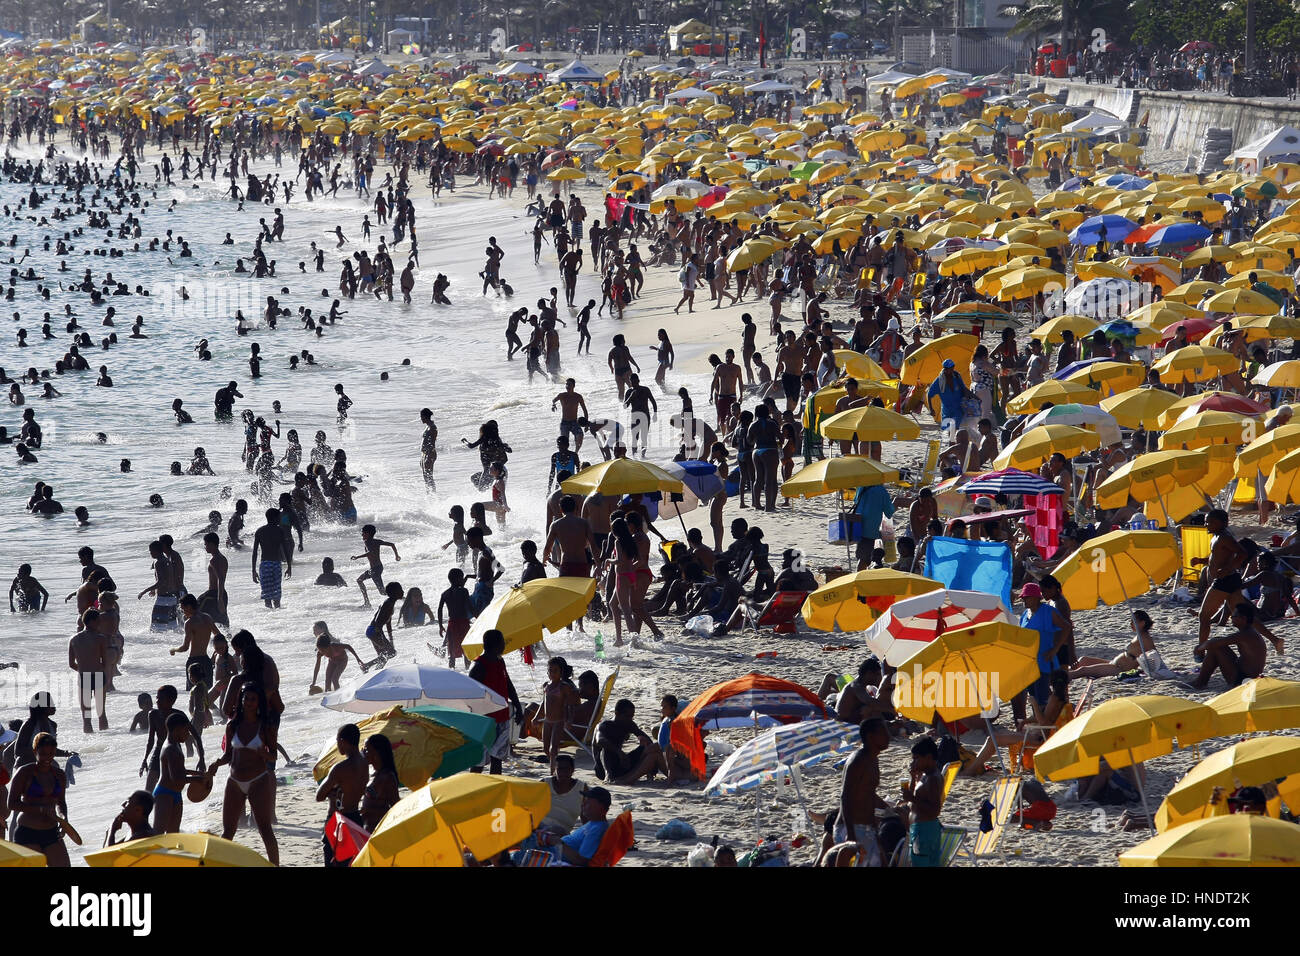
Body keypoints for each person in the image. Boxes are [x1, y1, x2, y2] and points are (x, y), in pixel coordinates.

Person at [209, 682, 279, 865]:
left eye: (253, 699)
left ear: (259, 702)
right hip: (234, 781)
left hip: (258, 781)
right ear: (241, 699)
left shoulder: (265, 726)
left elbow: (274, 756)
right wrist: (216, 763)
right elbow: (229, 755)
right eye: (245, 698)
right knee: (228, 831)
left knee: (265, 830)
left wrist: (264, 754)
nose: (248, 702)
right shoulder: (233, 725)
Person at [6, 732, 71, 866]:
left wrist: (64, 818)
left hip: (52, 832)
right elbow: (11, 804)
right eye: (43, 754)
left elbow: (61, 802)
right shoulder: (24, 773)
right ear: (35, 751)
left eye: (51, 754)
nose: (47, 758)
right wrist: (40, 809)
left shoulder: (59, 775)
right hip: (27, 832)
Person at [467, 629, 523, 774]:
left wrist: (517, 706)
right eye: (503, 642)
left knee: (497, 758)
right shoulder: (478, 666)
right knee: (479, 761)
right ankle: (471, 791)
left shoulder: (500, 661)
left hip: (503, 718)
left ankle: (494, 791)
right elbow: (469, 695)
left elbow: (508, 684)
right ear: (496, 645)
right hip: (485, 722)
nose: (505, 645)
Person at [837, 717, 890, 867]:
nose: (888, 736)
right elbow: (845, 796)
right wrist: (850, 834)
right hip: (851, 829)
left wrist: (888, 810)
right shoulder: (858, 760)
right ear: (870, 737)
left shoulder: (873, 759)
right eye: (883, 733)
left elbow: (868, 794)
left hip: (866, 828)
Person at [315, 723, 368, 866]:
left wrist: (331, 791)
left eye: (338, 741)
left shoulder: (340, 768)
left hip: (338, 820)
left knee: (333, 861)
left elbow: (319, 796)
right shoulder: (364, 763)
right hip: (355, 818)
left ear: (342, 741)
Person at [152, 712, 209, 833]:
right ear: (177, 730)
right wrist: (198, 780)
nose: (188, 734)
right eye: (186, 730)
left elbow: (179, 770)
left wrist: (198, 774)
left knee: (173, 834)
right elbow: (176, 779)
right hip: (164, 794)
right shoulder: (170, 749)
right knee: (158, 833)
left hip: (176, 794)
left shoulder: (176, 744)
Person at [534, 785, 612, 866]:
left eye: (588, 801)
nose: (583, 805)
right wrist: (563, 833)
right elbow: (575, 843)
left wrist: (558, 842)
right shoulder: (593, 823)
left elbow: (581, 860)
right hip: (547, 850)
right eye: (584, 801)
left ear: (601, 807)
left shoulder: (597, 829)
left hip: (544, 857)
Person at [595, 698, 666, 785]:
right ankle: (609, 776)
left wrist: (642, 739)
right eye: (627, 716)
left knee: (655, 747)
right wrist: (619, 752)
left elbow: (647, 740)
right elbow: (600, 741)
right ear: (616, 713)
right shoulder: (605, 726)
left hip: (622, 763)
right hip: (605, 768)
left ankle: (671, 776)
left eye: (632, 716)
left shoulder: (629, 724)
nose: (630, 719)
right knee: (606, 747)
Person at [901, 737, 943, 867]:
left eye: (916, 758)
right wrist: (913, 777)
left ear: (929, 757)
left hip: (925, 831)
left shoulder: (933, 779)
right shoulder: (925, 775)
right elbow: (916, 796)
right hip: (920, 829)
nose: (914, 762)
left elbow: (935, 810)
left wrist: (911, 799)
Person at [360, 733, 400, 832]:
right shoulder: (372, 772)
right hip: (367, 828)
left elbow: (396, 806)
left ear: (377, 752)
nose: (363, 752)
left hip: (380, 830)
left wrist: (369, 811)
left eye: (366, 749)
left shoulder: (387, 777)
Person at [311, 622, 366, 692]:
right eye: (320, 650)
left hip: (342, 661)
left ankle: (338, 695)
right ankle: (328, 696)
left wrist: (358, 659)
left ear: (328, 646)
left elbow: (348, 646)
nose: (322, 652)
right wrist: (314, 682)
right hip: (332, 661)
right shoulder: (320, 652)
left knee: (334, 679)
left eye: (323, 650)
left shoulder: (334, 645)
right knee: (327, 680)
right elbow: (317, 667)